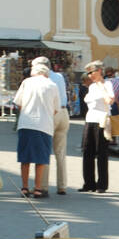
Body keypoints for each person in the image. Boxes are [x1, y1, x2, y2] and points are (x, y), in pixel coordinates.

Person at [12, 58, 61, 197]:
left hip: (26, 123)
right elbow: (56, 109)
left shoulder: (26, 83)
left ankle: (25, 187)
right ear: (47, 73)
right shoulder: (52, 85)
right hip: (44, 125)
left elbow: (19, 103)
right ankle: (38, 188)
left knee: (25, 158)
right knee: (40, 159)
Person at [80, 62, 113, 193]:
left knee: (101, 152)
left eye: (92, 72)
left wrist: (100, 84)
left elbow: (110, 100)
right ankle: (88, 183)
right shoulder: (92, 86)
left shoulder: (107, 84)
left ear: (99, 71)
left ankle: (102, 184)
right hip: (90, 119)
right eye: (88, 73)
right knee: (87, 151)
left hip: (102, 120)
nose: (90, 75)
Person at [43, 58, 71, 194]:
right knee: (60, 152)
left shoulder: (44, 79)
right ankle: (62, 185)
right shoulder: (59, 76)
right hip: (64, 112)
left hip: (51, 113)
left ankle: (42, 185)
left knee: (45, 150)